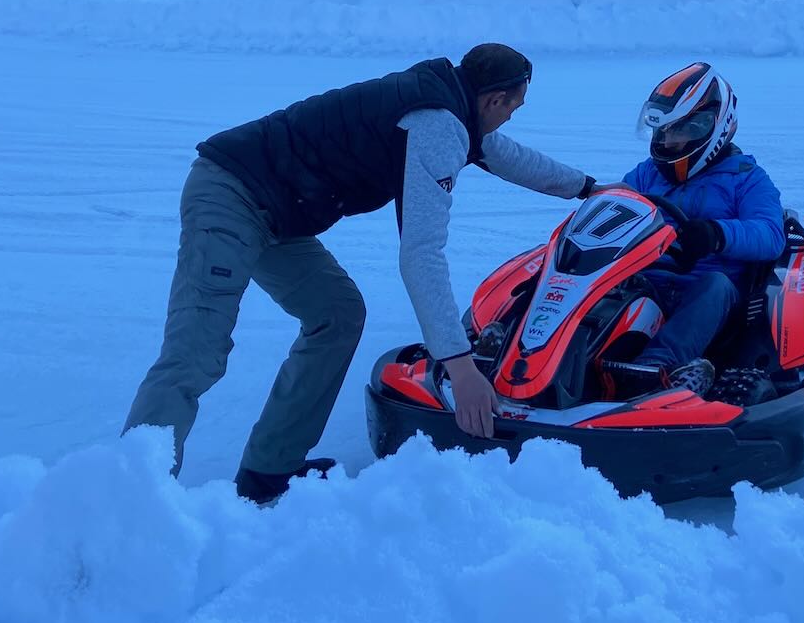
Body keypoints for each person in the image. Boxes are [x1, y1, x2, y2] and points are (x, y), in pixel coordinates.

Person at [124, 44, 598, 504]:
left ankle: (269, 471)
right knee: (195, 350)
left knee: (338, 313)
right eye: (511, 108)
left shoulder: (448, 101)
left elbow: (506, 154)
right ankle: (129, 502)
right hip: (230, 196)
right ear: (494, 99)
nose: (508, 118)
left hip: (276, 215)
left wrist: (589, 189)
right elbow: (420, 253)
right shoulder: (436, 123)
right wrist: (459, 363)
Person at [610, 63, 784, 395]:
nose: (668, 141)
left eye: (678, 132)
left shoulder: (746, 178)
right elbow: (618, 207)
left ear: (710, 127)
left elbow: (770, 235)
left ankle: (652, 373)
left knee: (714, 285)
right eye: (663, 132)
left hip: (714, 297)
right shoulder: (648, 174)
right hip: (649, 281)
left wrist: (716, 235)